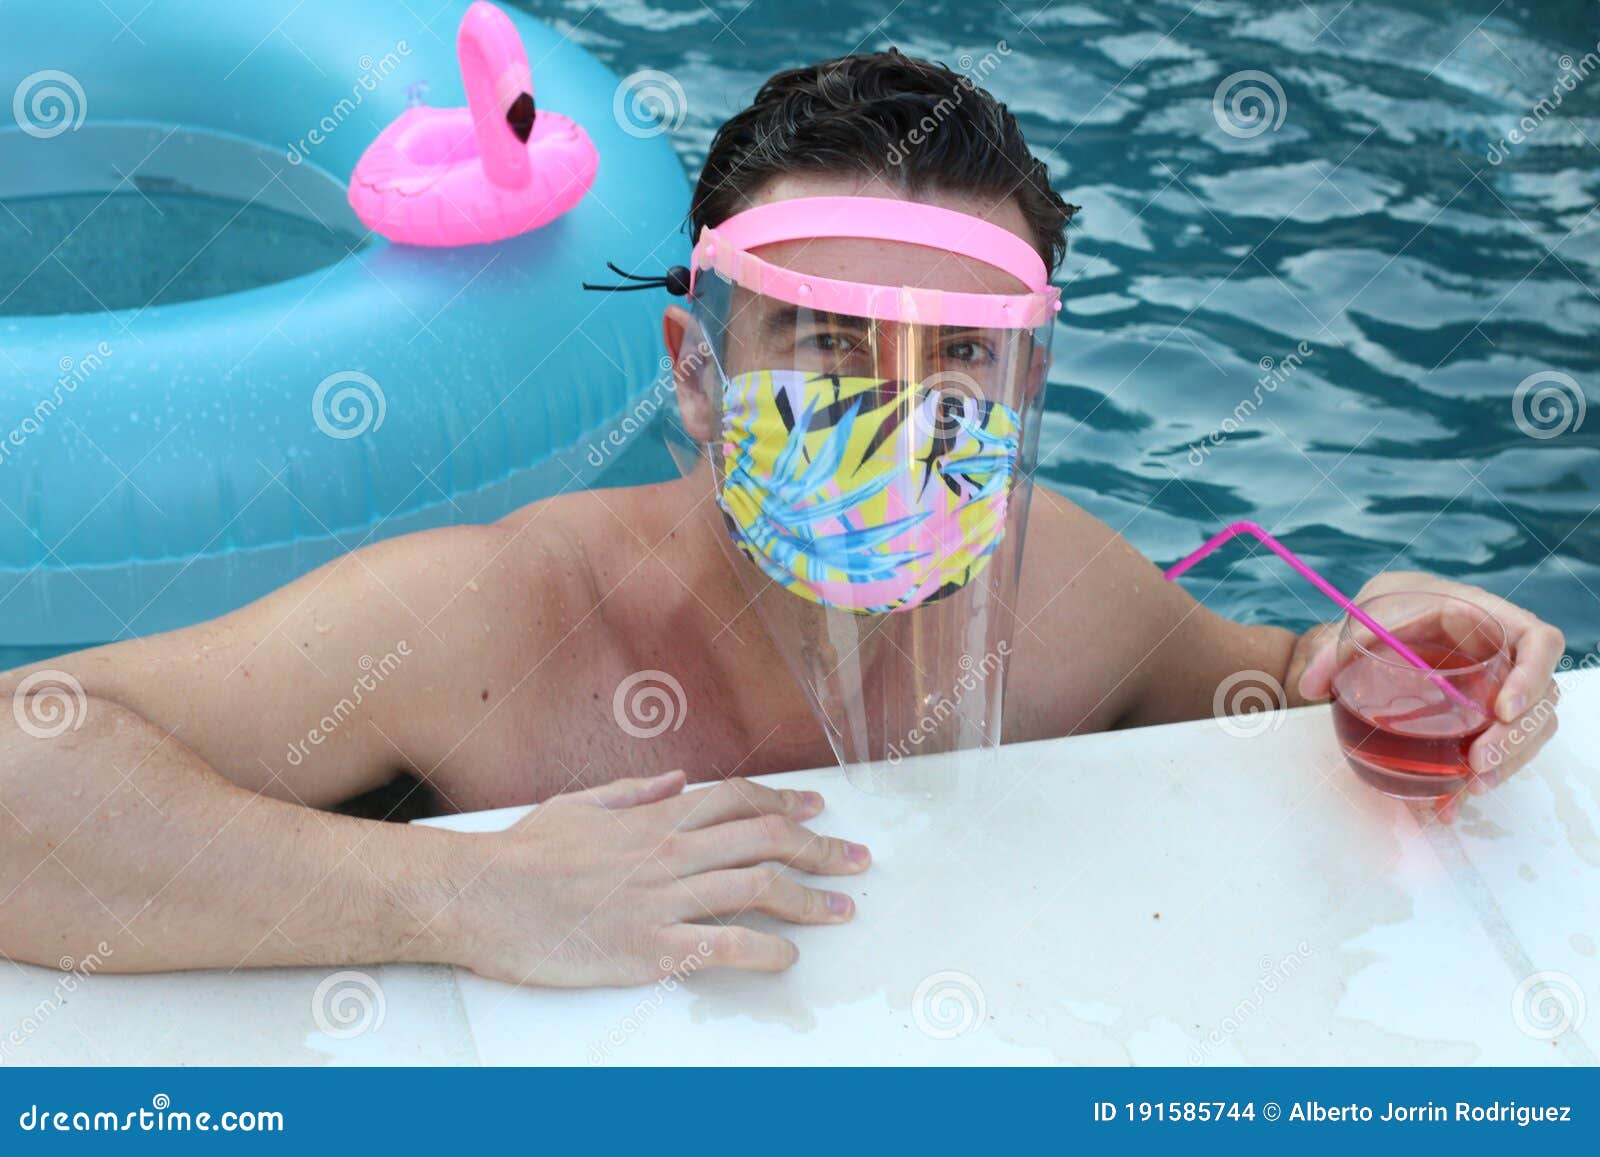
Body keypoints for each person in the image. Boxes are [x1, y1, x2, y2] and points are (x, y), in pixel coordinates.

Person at [0, 51, 1563, 989]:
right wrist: (459, 898)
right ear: (696, 368)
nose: (900, 413)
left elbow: (1273, 682)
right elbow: (28, 759)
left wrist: (1390, 644)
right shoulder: (496, 623)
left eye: (959, 358)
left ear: (1026, 393)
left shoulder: (1060, 600)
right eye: (830, 344)